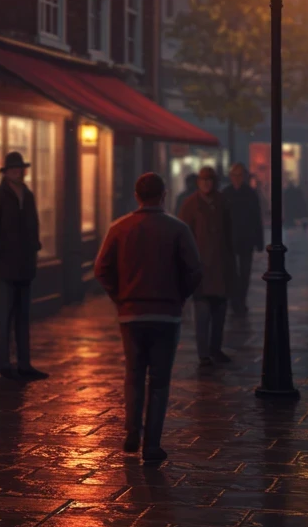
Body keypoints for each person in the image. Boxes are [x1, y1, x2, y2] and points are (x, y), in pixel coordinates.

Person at [95, 172, 202, 464]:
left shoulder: (120, 228)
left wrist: (120, 296)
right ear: (164, 195)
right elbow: (195, 270)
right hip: (166, 314)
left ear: (136, 195)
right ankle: (152, 444)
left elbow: (101, 268)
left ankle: (132, 430)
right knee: (159, 380)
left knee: (134, 374)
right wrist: (179, 296)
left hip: (132, 314)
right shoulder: (177, 229)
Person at [0, 151, 47, 380]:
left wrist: (34, 245)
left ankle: (24, 364)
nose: (19, 171)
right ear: (6, 172)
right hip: (5, 266)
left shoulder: (27, 195)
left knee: (23, 317)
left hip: (25, 265)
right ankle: (4, 365)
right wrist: (2, 246)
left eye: (21, 168)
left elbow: (33, 224)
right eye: (14, 168)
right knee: (4, 316)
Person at [177, 167, 235, 365]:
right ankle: (204, 353)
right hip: (200, 266)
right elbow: (183, 235)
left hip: (221, 266)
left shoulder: (223, 202)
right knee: (202, 313)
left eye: (210, 180)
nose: (207, 183)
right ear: (198, 182)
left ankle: (215, 349)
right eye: (203, 180)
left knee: (219, 312)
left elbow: (229, 233)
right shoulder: (190, 204)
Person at [221, 163, 264, 315]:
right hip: (230, 239)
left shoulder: (251, 194)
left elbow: (257, 218)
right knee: (232, 272)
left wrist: (259, 242)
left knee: (245, 273)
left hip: (246, 239)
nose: (237, 178)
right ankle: (235, 301)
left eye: (240, 175)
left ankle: (241, 301)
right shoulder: (225, 194)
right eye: (235, 175)